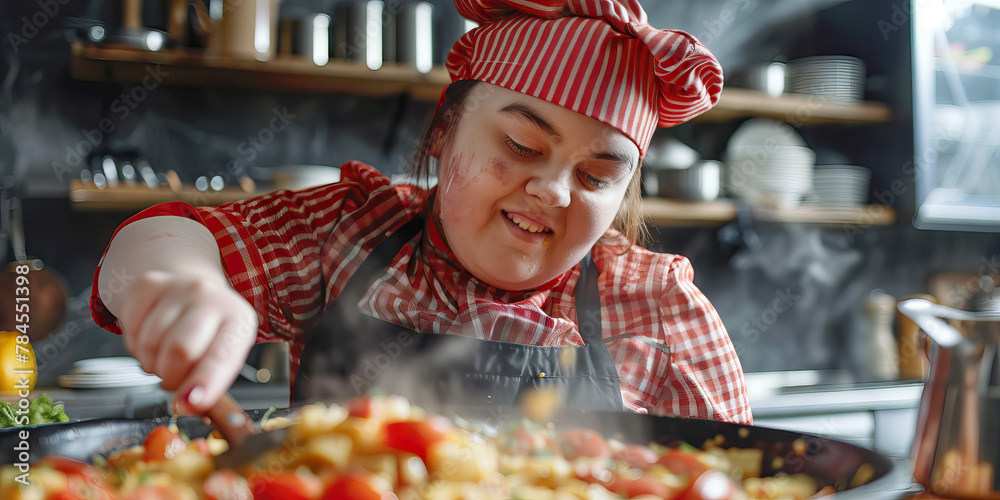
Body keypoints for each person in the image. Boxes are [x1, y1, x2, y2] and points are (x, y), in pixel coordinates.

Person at [92, 0, 751, 424]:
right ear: (445, 130)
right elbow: (162, 240)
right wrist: (184, 281)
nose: (553, 190)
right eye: (522, 145)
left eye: (597, 176)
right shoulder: (350, 233)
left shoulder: (660, 310)